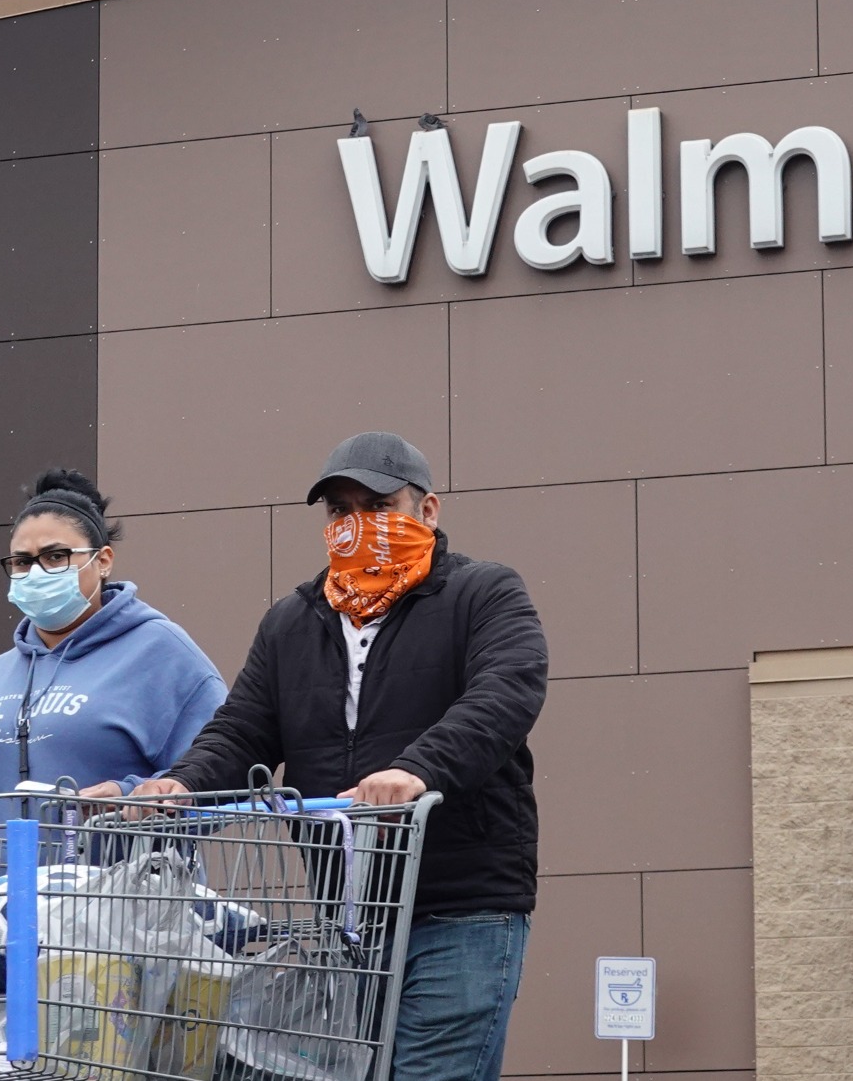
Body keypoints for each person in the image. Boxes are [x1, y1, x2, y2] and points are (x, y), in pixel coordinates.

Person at [131, 432, 548, 1081]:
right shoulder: (291, 622)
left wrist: (417, 769)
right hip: (351, 921)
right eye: (340, 511)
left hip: (461, 906)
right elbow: (243, 728)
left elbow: (507, 689)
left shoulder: (481, 593)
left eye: (378, 506)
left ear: (428, 510)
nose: (358, 525)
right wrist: (180, 784)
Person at [0, 468, 228, 833]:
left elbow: (220, 777)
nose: (36, 572)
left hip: (122, 870)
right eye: (22, 562)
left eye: (56, 556)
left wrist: (129, 795)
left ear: (103, 561)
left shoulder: (163, 653)